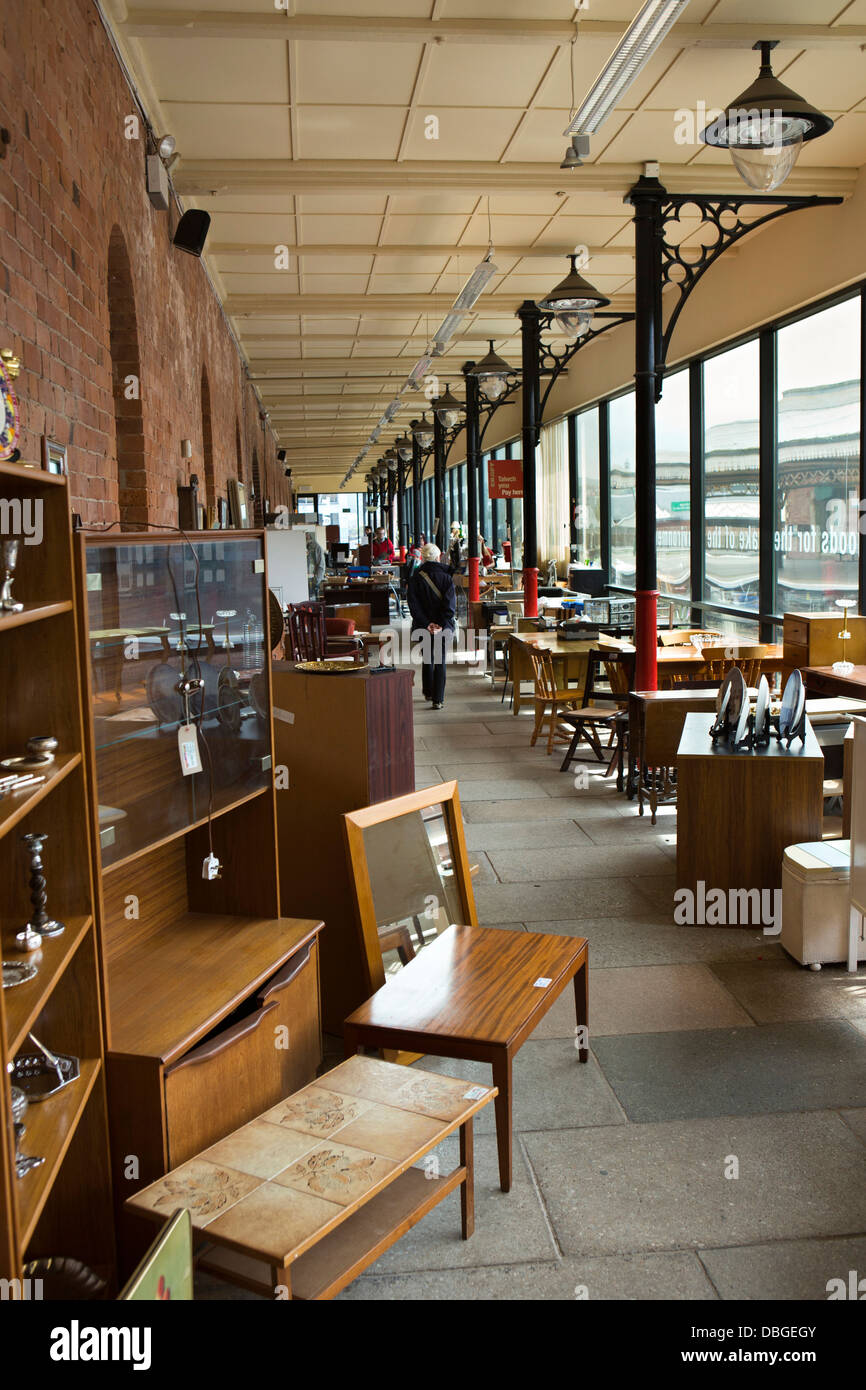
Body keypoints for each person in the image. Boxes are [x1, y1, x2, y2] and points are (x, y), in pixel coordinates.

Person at [407, 542, 456, 710]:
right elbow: (450, 606)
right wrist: (441, 624)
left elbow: (413, 605)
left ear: (423, 558)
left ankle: (428, 691)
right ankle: (438, 699)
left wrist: (426, 623)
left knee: (427, 656)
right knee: (440, 659)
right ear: (438, 557)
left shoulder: (415, 578)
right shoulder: (447, 578)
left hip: (423, 625)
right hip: (443, 626)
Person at [305, 530, 325, 598]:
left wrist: (316, 581)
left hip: (313, 581)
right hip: (307, 580)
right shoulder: (307, 547)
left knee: (311, 602)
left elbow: (321, 566)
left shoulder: (316, 547)